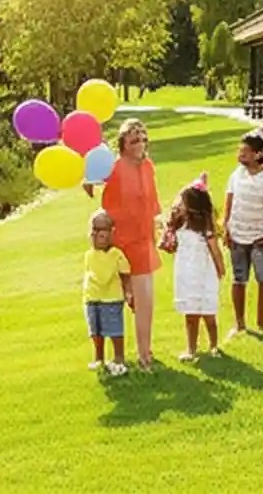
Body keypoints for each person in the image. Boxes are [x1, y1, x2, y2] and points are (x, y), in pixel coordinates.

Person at [84, 118, 161, 371]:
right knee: (115, 300)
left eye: (142, 139)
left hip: (142, 241)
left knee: (144, 300)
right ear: (123, 144)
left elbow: (153, 204)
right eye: (133, 140)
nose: (139, 144)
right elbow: (91, 177)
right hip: (119, 242)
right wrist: (87, 181)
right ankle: (108, 355)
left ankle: (144, 353)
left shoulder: (148, 166)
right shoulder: (114, 167)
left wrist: (159, 228)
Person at [222, 129, 263, 335]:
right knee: (239, 279)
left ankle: (261, 321)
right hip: (238, 235)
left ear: (258, 154)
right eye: (239, 150)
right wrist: (226, 227)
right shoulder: (236, 175)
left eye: (245, 151)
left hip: (260, 238)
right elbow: (229, 203)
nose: (240, 154)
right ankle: (239, 323)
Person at [167, 180, 226, 361]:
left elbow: (215, 249)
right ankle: (191, 349)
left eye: (183, 202)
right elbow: (173, 245)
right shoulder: (180, 226)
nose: (179, 205)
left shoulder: (205, 229)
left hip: (203, 275)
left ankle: (214, 345)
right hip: (186, 275)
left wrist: (220, 267)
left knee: (208, 313)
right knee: (190, 315)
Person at [82, 210, 131, 376]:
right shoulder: (89, 255)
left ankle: (119, 359)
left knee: (114, 330)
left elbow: (125, 275)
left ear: (111, 233)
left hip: (111, 298)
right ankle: (99, 358)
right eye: (94, 230)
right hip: (92, 297)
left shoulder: (117, 255)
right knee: (96, 331)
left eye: (103, 230)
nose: (98, 235)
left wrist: (129, 293)